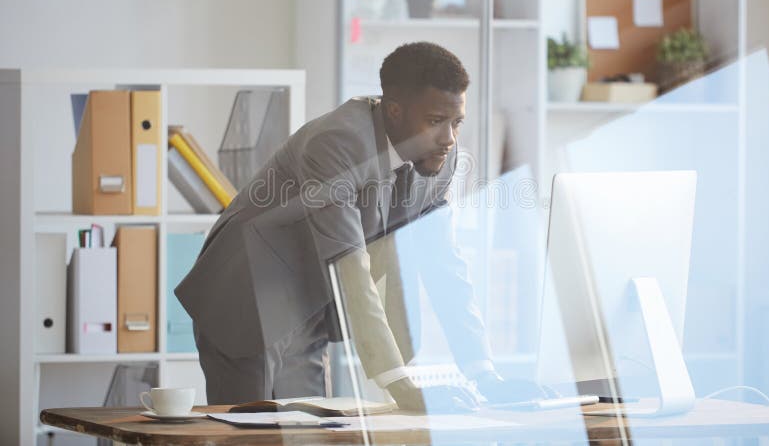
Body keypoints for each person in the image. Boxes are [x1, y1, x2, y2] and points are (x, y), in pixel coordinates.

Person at [175, 42, 540, 411]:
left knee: (314, 431)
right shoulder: (336, 143)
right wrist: (403, 386)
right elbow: (350, 266)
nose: (449, 139)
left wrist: (483, 374)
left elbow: (445, 264)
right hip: (246, 294)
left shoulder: (441, 157)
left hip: (310, 303)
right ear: (394, 111)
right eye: (435, 121)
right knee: (250, 433)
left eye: (456, 122)